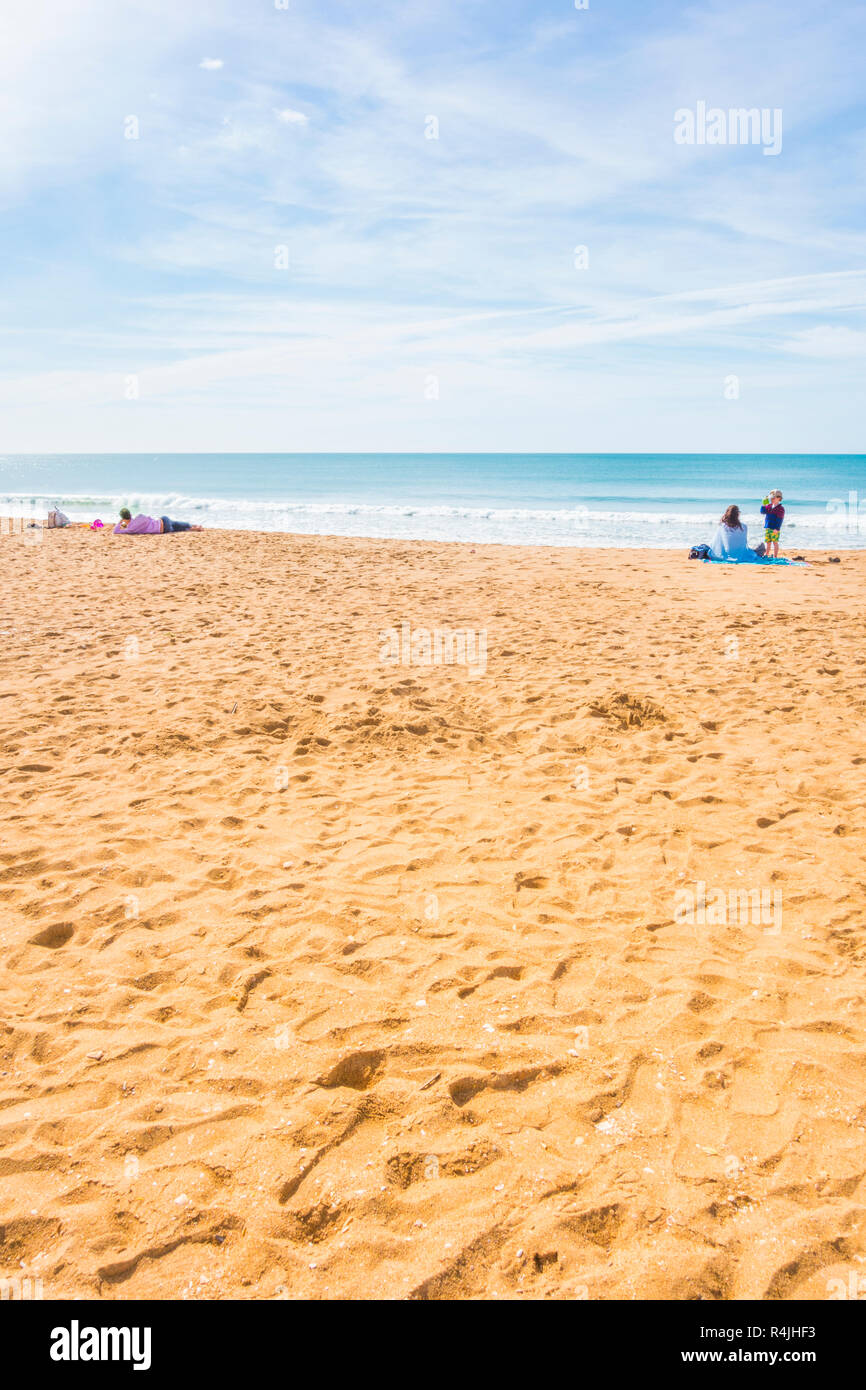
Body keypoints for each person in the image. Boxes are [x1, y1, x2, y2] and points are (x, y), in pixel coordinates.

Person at [113, 508, 203, 534]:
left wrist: (122, 522)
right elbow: (149, 518)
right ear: (130, 514)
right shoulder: (139, 517)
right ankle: (192, 525)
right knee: (177, 524)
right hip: (163, 522)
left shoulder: (127, 529)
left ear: (122, 518)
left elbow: (116, 531)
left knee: (177, 529)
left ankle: (191, 529)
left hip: (163, 530)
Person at [760, 490, 785, 559]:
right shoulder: (769, 506)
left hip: (775, 529)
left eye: (773, 498)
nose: (771, 500)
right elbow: (762, 512)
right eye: (771, 498)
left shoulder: (780, 508)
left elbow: (780, 519)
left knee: (775, 542)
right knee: (768, 542)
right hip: (768, 527)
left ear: (779, 498)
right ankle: (766, 554)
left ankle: (775, 556)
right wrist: (763, 505)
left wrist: (777, 528)